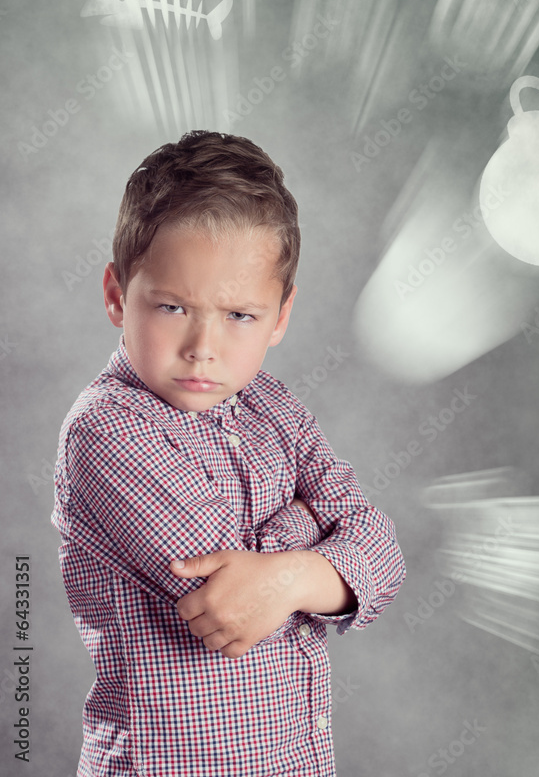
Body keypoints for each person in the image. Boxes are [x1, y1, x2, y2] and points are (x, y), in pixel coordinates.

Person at [52, 130, 405, 777]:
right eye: (172, 306)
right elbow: (226, 598)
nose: (203, 348)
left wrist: (288, 577)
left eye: (239, 315)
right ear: (116, 295)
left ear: (280, 316)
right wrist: (316, 535)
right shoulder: (105, 430)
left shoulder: (273, 404)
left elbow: (381, 549)